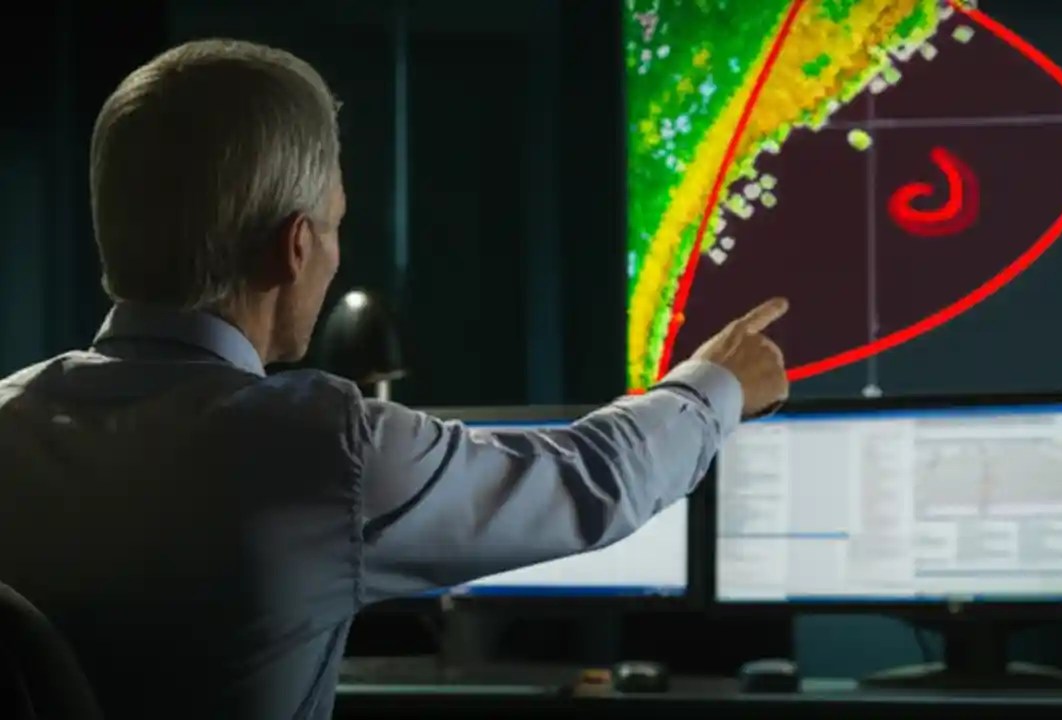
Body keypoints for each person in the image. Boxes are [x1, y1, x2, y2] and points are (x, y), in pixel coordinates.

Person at [0, 39, 789, 718]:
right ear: (296, 247)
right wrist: (714, 385)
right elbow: (592, 480)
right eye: (337, 225)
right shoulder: (315, 446)